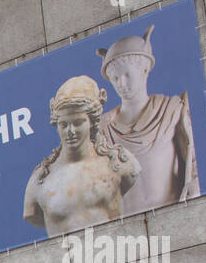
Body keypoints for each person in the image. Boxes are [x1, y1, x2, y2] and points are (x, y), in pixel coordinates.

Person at [96, 24, 199, 213]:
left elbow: (191, 157)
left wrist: (195, 181)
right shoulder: (104, 127)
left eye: (127, 75)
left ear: (144, 70)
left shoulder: (170, 110)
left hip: (172, 213)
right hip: (127, 224)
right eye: (115, 78)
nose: (122, 84)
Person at [23, 75, 139, 237]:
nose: (70, 131)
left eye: (78, 123)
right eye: (63, 125)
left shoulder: (119, 162)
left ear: (92, 122)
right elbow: (31, 215)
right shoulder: (40, 180)